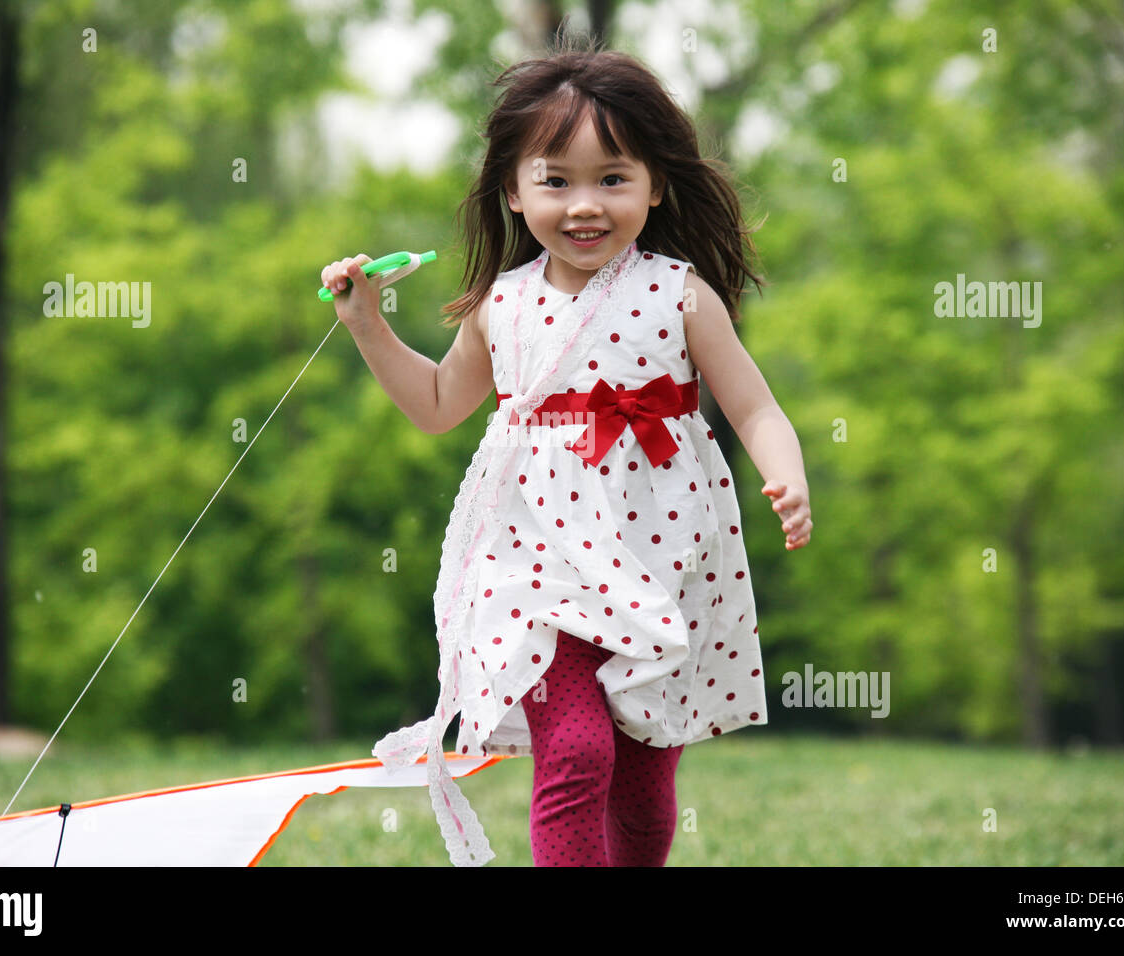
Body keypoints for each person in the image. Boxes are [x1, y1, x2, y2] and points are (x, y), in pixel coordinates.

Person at [320, 34, 811, 867]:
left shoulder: (679, 294)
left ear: (655, 187)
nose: (585, 204)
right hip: (535, 562)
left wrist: (786, 472)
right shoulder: (499, 306)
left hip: (660, 556)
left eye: (612, 179)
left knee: (645, 779)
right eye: (556, 181)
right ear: (513, 192)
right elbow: (439, 406)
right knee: (578, 752)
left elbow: (755, 404)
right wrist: (368, 325)